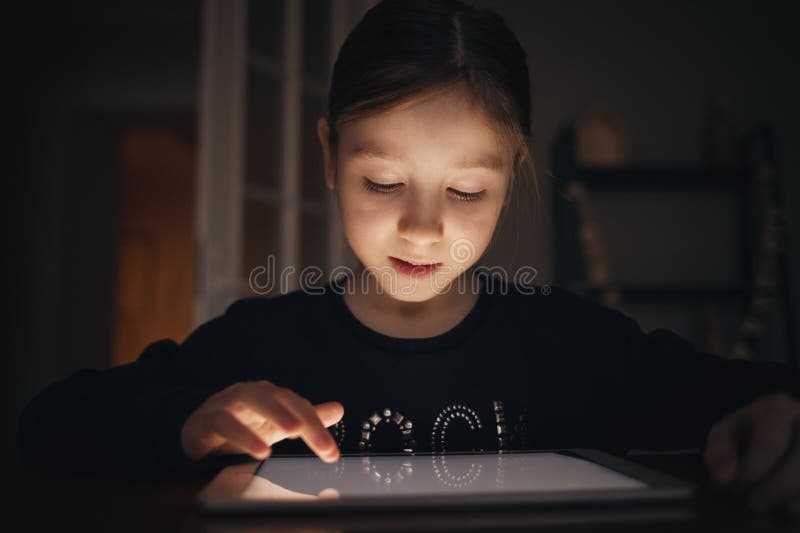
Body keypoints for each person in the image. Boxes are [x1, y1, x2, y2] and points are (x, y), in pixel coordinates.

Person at [18, 0, 800, 516]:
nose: (423, 230)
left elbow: (748, 394)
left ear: (513, 175)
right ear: (331, 157)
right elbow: (49, 421)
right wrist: (187, 424)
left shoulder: (571, 344)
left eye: (464, 190)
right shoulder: (260, 344)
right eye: (384, 181)